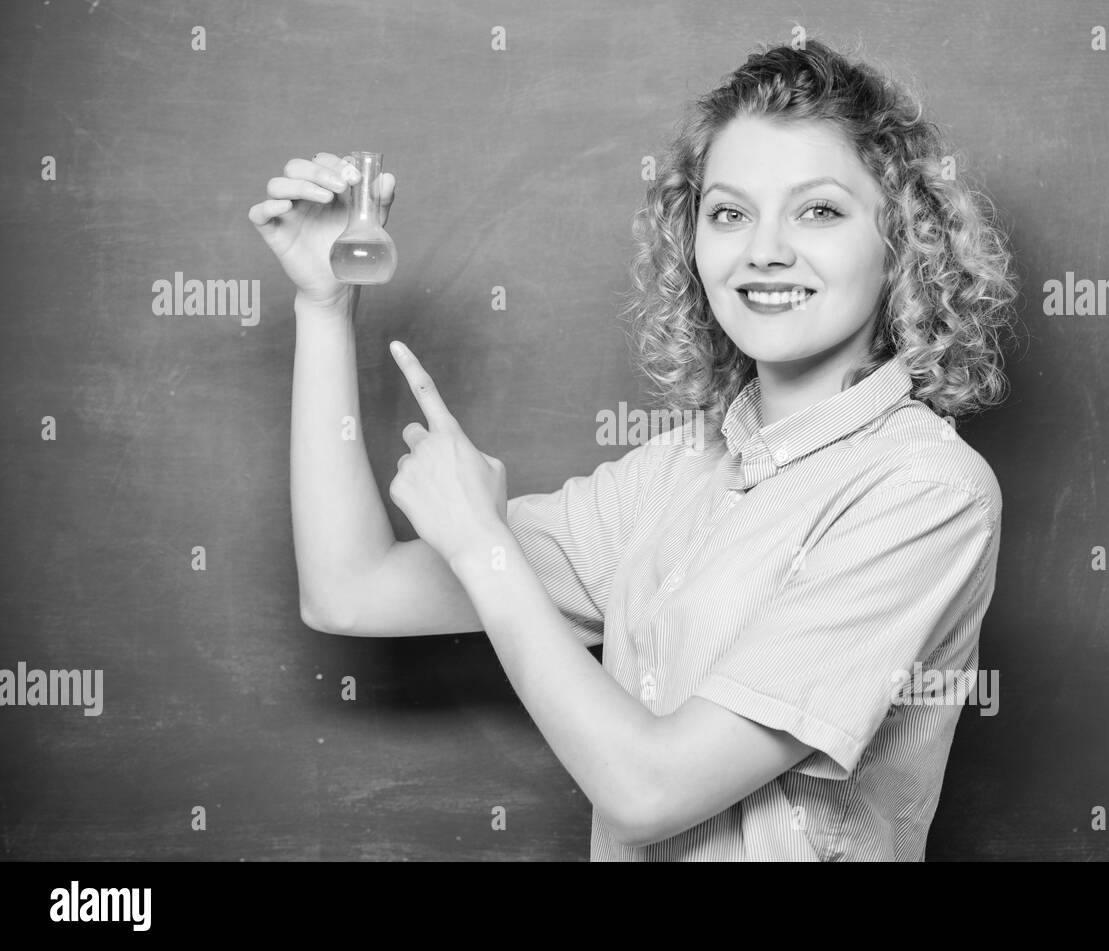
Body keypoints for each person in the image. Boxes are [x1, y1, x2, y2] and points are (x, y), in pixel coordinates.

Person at [249, 38, 1019, 861]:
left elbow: (649, 789)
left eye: (818, 210)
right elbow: (350, 591)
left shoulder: (927, 489)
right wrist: (324, 310)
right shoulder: (676, 472)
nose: (764, 249)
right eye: (729, 212)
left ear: (901, 240)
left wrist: (484, 546)